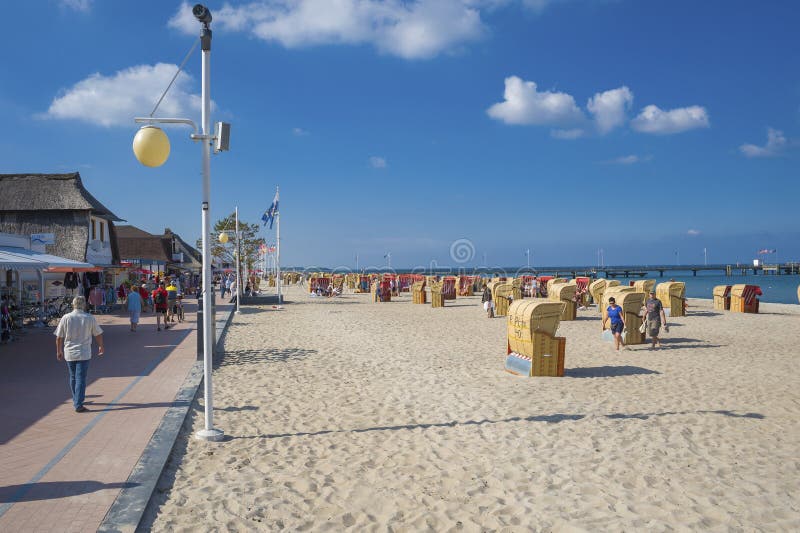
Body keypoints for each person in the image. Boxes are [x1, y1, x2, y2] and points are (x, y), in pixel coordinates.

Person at [54, 296, 104, 412]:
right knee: (81, 378)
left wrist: (58, 350)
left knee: (73, 376)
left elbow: (59, 337)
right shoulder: (89, 317)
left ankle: (76, 398)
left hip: (69, 352)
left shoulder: (66, 317)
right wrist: (101, 346)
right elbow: (98, 334)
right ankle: (78, 404)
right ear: (84, 305)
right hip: (84, 352)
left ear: (73, 304)